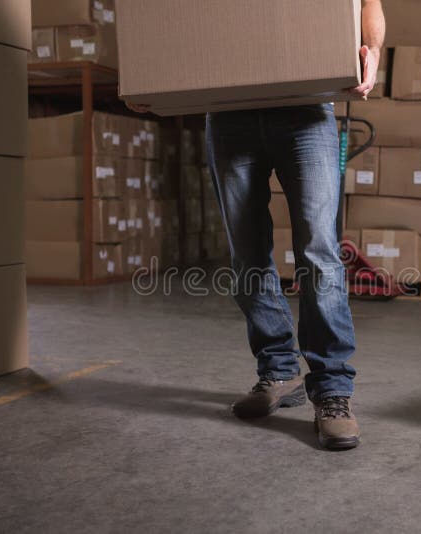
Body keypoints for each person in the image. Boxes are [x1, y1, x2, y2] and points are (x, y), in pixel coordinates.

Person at [129, 1, 385, 450]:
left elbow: (367, 1)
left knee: (318, 250)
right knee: (246, 251)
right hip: (229, 113)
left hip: (305, 111)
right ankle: (279, 369)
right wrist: (144, 70)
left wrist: (372, 50)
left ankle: (332, 391)